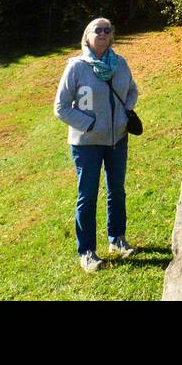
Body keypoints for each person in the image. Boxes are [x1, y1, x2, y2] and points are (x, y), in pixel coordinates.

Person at [54, 17, 139, 272]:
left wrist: (126, 112)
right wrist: (88, 124)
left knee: (117, 190)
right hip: (86, 143)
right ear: (87, 36)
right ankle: (87, 252)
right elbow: (61, 107)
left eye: (107, 30)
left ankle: (117, 240)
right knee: (87, 196)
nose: (103, 33)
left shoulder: (120, 63)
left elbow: (132, 91)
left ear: (111, 35)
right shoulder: (76, 67)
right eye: (97, 30)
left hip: (117, 140)